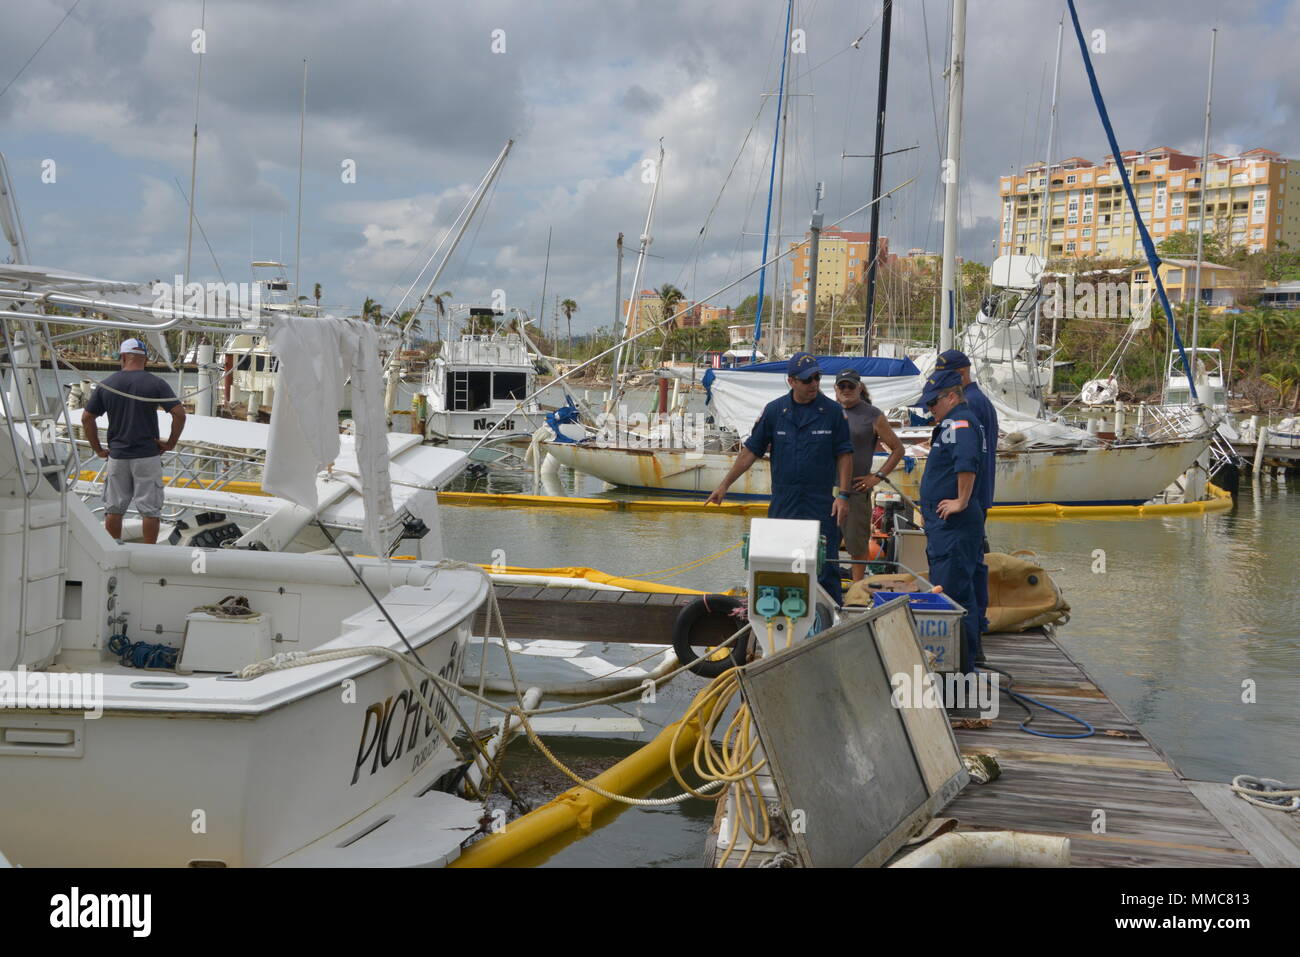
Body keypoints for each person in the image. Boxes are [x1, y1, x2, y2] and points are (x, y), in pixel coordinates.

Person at [706, 352, 853, 604]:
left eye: (817, 377)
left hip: (820, 501)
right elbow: (751, 451)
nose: (814, 384)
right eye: (807, 380)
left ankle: (832, 617)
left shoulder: (832, 412)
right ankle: (782, 613)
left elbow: (844, 455)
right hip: (785, 500)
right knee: (781, 560)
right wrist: (724, 485)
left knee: (826, 564)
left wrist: (843, 495)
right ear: (791, 381)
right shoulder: (775, 411)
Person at [81, 338, 186, 544]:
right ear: (145, 359)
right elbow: (179, 414)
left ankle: (113, 552)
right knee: (150, 510)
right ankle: (149, 553)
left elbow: (86, 418)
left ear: (122, 357)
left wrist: (98, 450)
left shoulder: (107, 384)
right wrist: (171, 443)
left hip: (117, 456)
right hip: (147, 455)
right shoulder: (156, 383)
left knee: (114, 508)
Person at [916, 368, 986, 676]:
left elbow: (966, 462)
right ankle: (962, 669)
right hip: (946, 527)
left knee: (952, 598)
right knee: (958, 595)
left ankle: (958, 673)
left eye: (933, 403)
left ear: (952, 396)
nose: (930, 409)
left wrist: (961, 500)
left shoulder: (960, 422)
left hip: (954, 529)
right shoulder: (952, 422)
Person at [935, 349, 998, 658]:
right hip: (977, 497)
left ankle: (971, 643)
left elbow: (968, 459)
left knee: (965, 573)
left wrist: (961, 499)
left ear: (960, 375)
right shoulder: (979, 402)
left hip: (970, 501)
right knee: (973, 567)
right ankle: (976, 636)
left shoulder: (969, 406)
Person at [834, 368, 905, 582]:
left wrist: (877, 477)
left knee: (857, 546)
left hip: (856, 491)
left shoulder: (872, 415)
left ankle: (857, 591)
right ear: (836, 389)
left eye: (851, 385)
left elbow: (898, 449)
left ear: (859, 387)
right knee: (822, 544)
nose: (847, 389)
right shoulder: (828, 411)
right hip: (826, 489)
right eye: (842, 386)